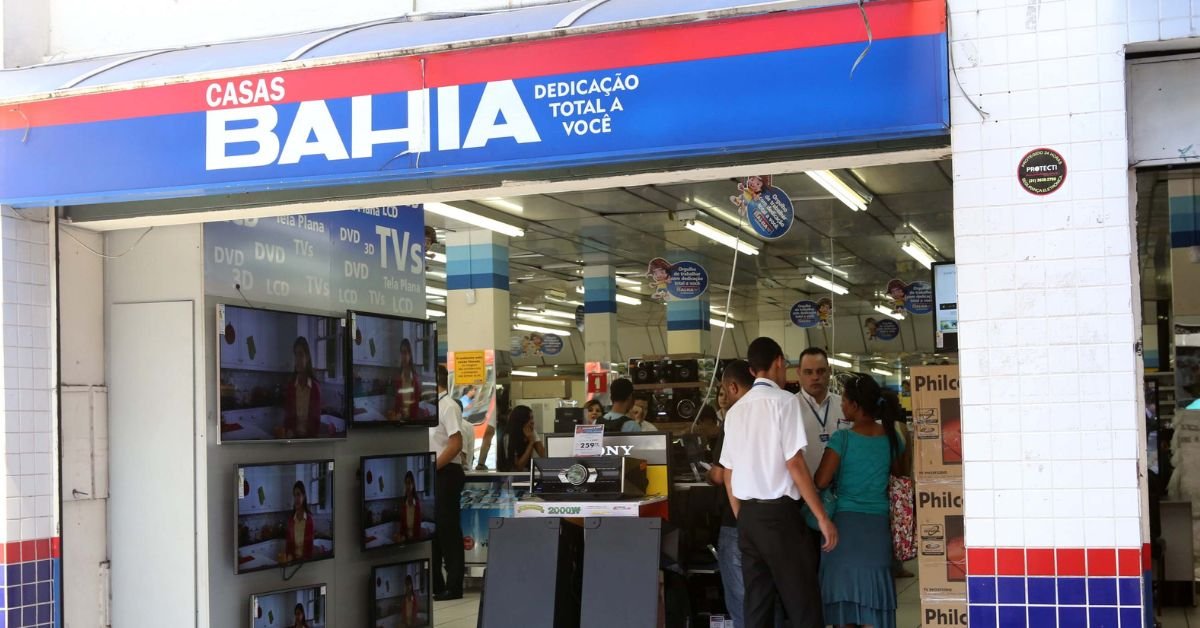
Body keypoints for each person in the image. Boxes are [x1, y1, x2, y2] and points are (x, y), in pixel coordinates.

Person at [719, 337, 837, 628]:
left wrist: (742, 515)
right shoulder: (785, 402)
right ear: (779, 363)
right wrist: (822, 517)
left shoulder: (735, 411)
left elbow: (727, 472)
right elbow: (794, 463)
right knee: (803, 601)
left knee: (757, 602)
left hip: (748, 517)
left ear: (750, 369)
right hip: (780, 516)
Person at [814, 372, 905, 628]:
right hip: (877, 529)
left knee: (845, 606)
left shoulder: (842, 439)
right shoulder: (892, 438)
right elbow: (900, 476)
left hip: (843, 531)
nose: (841, 405)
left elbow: (821, 481)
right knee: (873, 604)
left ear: (855, 405)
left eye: (844, 400)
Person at [707, 360, 755, 628]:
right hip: (769, 519)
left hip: (737, 523)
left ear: (733, 387)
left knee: (740, 600)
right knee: (763, 596)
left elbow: (722, 473)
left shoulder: (735, 420)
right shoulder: (775, 410)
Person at [432, 365, 466, 601]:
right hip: (432, 474)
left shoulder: (449, 406)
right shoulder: (427, 408)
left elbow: (455, 443)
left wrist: (431, 468)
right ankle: (436, 584)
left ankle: (454, 586)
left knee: (448, 530)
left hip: (446, 473)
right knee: (433, 531)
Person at [796, 348, 850, 475]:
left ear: (829, 371)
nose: (815, 377)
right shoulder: (789, 408)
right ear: (799, 373)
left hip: (842, 489)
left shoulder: (845, 406)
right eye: (808, 372)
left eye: (820, 371)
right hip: (804, 490)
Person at [283, 337, 322, 439]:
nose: (297, 360)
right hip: (292, 440)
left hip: (310, 441)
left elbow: (316, 422)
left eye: (301, 354)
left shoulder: (315, 388)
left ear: (307, 357)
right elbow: (287, 418)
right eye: (295, 355)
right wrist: (288, 431)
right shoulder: (291, 387)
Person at [497, 405, 547, 472]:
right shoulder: (508, 436)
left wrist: (534, 438)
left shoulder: (531, 432)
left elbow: (544, 455)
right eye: (529, 418)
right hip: (509, 476)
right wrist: (531, 442)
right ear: (521, 420)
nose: (532, 422)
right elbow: (518, 467)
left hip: (526, 474)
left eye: (532, 418)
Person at [389, 339, 423, 422]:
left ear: (410, 354)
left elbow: (416, 405)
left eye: (405, 352)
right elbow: (397, 401)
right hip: (400, 420)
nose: (403, 356)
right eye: (401, 353)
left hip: (411, 421)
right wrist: (396, 414)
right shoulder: (398, 377)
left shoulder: (415, 378)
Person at [284, 481, 314, 564]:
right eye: (294, 495)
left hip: (305, 564)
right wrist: (289, 559)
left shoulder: (309, 520)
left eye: (298, 494)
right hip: (292, 564)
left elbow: (309, 548)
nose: (296, 498)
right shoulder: (291, 520)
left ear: (303, 496)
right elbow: (288, 546)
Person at [397, 470, 424, 543]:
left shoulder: (417, 504)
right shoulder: (403, 504)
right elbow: (402, 526)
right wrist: (401, 536)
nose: (407, 486)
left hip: (415, 540)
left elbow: (418, 528)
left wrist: (412, 539)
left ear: (413, 484)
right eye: (406, 483)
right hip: (405, 540)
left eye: (409, 483)